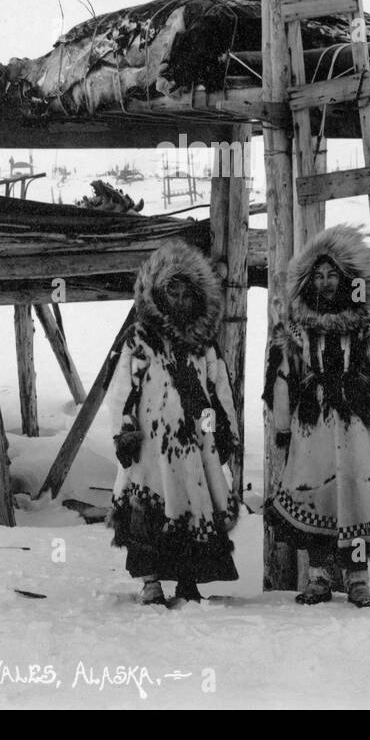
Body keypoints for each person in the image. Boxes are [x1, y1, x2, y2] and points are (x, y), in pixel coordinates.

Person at [263, 224, 370, 607]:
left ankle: (357, 581)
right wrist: (284, 428)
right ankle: (318, 579)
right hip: (312, 428)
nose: (326, 281)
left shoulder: (365, 326)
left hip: (355, 428)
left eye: (332, 274)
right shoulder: (299, 329)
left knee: (354, 502)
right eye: (317, 276)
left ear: (348, 277)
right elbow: (283, 377)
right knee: (317, 500)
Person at [105, 239, 240, 606]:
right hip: (149, 443)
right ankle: (150, 581)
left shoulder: (204, 346)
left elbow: (219, 391)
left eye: (186, 293)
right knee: (147, 509)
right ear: (158, 295)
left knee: (191, 506)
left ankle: (187, 580)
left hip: (193, 443)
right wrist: (124, 431)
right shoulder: (140, 340)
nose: (179, 300)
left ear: (197, 298)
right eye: (171, 291)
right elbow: (123, 390)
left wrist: (223, 432)